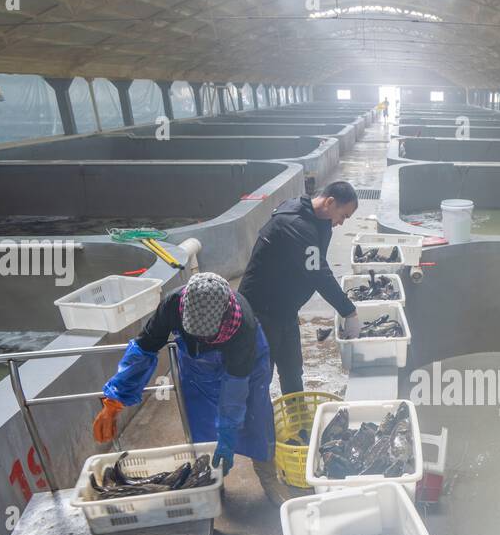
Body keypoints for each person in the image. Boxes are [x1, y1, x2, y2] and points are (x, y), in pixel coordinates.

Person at [92, 272, 274, 479]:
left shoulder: (242, 324)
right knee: (202, 428)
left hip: (245, 368)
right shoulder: (172, 304)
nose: (200, 337)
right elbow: (144, 348)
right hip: (197, 369)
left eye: (206, 333)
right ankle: (210, 478)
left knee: (256, 418)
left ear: (223, 314)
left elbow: (235, 388)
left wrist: (228, 432)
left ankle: (267, 473)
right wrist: (114, 400)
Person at [240, 181, 361, 396]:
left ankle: (298, 426)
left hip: (285, 310)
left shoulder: (319, 220)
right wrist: (348, 311)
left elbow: (313, 265)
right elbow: (318, 274)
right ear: (330, 202)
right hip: (261, 312)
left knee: (293, 371)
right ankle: (259, 426)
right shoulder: (295, 223)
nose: (342, 223)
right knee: (261, 376)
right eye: (343, 216)